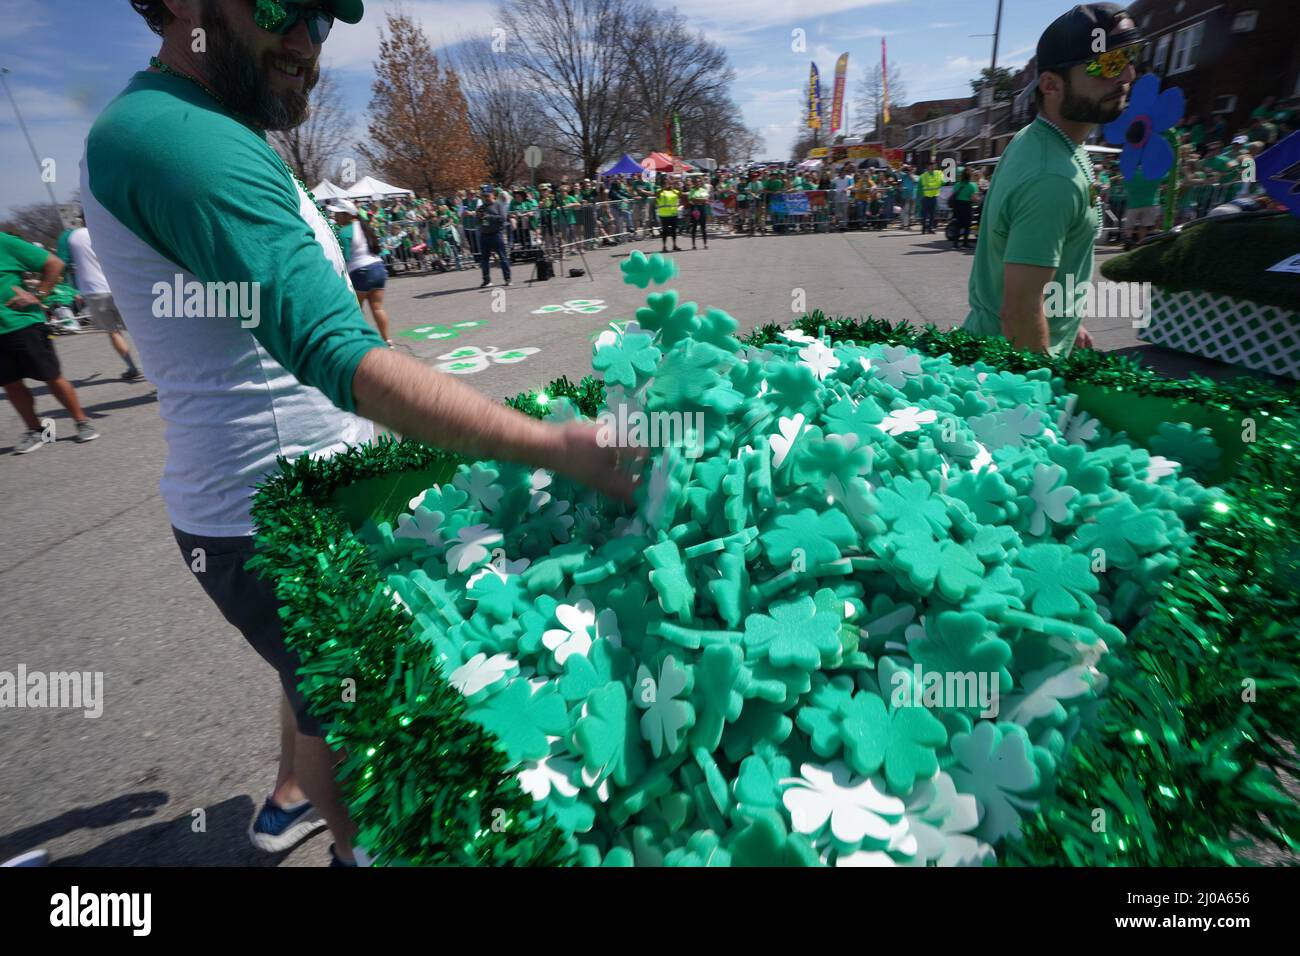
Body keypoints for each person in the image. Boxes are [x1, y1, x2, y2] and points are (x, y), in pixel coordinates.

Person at [94, 0, 635, 867]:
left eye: (325, 16)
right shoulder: (174, 138)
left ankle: (287, 800)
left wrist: (391, 364)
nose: (306, 39)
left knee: (315, 684)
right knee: (357, 713)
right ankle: (360, 852)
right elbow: (327, 349)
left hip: (300, 495)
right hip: (269, 521)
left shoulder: (207, 121)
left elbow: (315, 319)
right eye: (279, 7)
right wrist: (551, 443)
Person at [964, 2, 1142, 356]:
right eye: (1107, 64)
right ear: (1050, 84)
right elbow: (1018, 314)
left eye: (1129, 57)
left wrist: (1067, 320)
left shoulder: (1039, 139)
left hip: (997, 349)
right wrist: (1043, 389)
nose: (1125, 76)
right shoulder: (1053, 177)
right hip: (1009, 373)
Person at [2, 231, 99, 453]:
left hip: (23, 323)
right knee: (11, 384)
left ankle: (81, 421)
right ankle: (36, 431)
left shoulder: (4, 243)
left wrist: (39, 294)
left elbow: (54, 263)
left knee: (51, 376)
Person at [60, 223, 146, 382]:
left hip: (93, 291)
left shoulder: (68, 237)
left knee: (113, 331)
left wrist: (72, 289)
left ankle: (133, 368)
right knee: (137, 329)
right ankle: (152, 364)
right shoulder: (103, 227)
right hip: (119, 285)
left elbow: (62, 263)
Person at [328, 199, 392, 345]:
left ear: (347, 215)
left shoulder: (343, 232)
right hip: (378, 268)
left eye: (338, 214)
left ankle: (363, 343)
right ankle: (387, 339)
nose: (335, 217)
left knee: (355, 310)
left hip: (361, 271)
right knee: (377, 308)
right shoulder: (365, 226)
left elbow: (345, 258)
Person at [475, 185, 512, 287]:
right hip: (484, 235)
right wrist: (478, 217)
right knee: (484, 259)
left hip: (496, 235)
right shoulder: (481, 208)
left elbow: (503, 218)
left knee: (502, 257)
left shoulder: (498, 205)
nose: (485, 198)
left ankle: (507, 278)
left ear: (492, 195)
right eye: (483, 196)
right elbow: (477, 222)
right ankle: (486, 280)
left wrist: (489, 217)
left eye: (487, 195)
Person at [1122, 168, 1161, 249]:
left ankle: (1128, 241)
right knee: (1143, 226)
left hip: (1133, 204)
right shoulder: (1153, 175)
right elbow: (1158, 185)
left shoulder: (1131, 174)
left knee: (1129, 226)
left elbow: (1125, 185)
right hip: (1149, 203)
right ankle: (1141, 243)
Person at [949, 167, 978, 249]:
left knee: (958, 224)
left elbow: (954, 194)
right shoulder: (972, 186)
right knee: (967, 226)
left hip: (957, 206)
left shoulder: (957, 185)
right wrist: (978, 199)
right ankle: (965, 243)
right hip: (967, 206)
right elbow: (974, 199)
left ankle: (955, 244)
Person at [656, 176, 683, 252]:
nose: (667, 182)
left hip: (673, 213)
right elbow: (657, 194)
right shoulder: (659, 190)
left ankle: (675, 245)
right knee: (665, 231)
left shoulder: (673, 191)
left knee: (674, 230)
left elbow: (680, 194)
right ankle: (664, 246)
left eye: (668, 181)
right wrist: (664, 188)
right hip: (664, 214)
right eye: (665, 181)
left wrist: (678, 186)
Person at [918, 161, 944, 234]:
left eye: (934, 166)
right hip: (925, 198)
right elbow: (919, 188)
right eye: (932, 166)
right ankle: (923, 228)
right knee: (924, 214)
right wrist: (920, 197)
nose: (933, 167)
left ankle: (930, 228)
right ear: (928, 167)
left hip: (934, 197)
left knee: (932, 214)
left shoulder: (938, 174)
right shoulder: (923, 176)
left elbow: (943, 182)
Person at [686, 175, 711, 250]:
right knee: (694, 227)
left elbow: (706, 200)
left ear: (701, 182)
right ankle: (693, 244)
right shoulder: (692, 190)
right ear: (694, 182)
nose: (698, 183)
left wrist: (697, 199)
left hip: (702, 208)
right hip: (695, 209)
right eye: (696, 181)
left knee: (703, 227)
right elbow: (691, 200)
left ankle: (705, 244)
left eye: (699, 181)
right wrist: (701, 199)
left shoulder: (703, 190)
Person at [897, 165, 916, 229]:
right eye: (908, 170)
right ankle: (902, 224)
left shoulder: (915, 176)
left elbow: (914, 181)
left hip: (911, 196)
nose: (908, 172)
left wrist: (910, 175)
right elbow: (898, 172)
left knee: (910, 212)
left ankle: (908, 225)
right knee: (903, 211)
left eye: (910, 170)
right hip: (904, 196)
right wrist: (903, 166)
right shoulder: (904, 175)